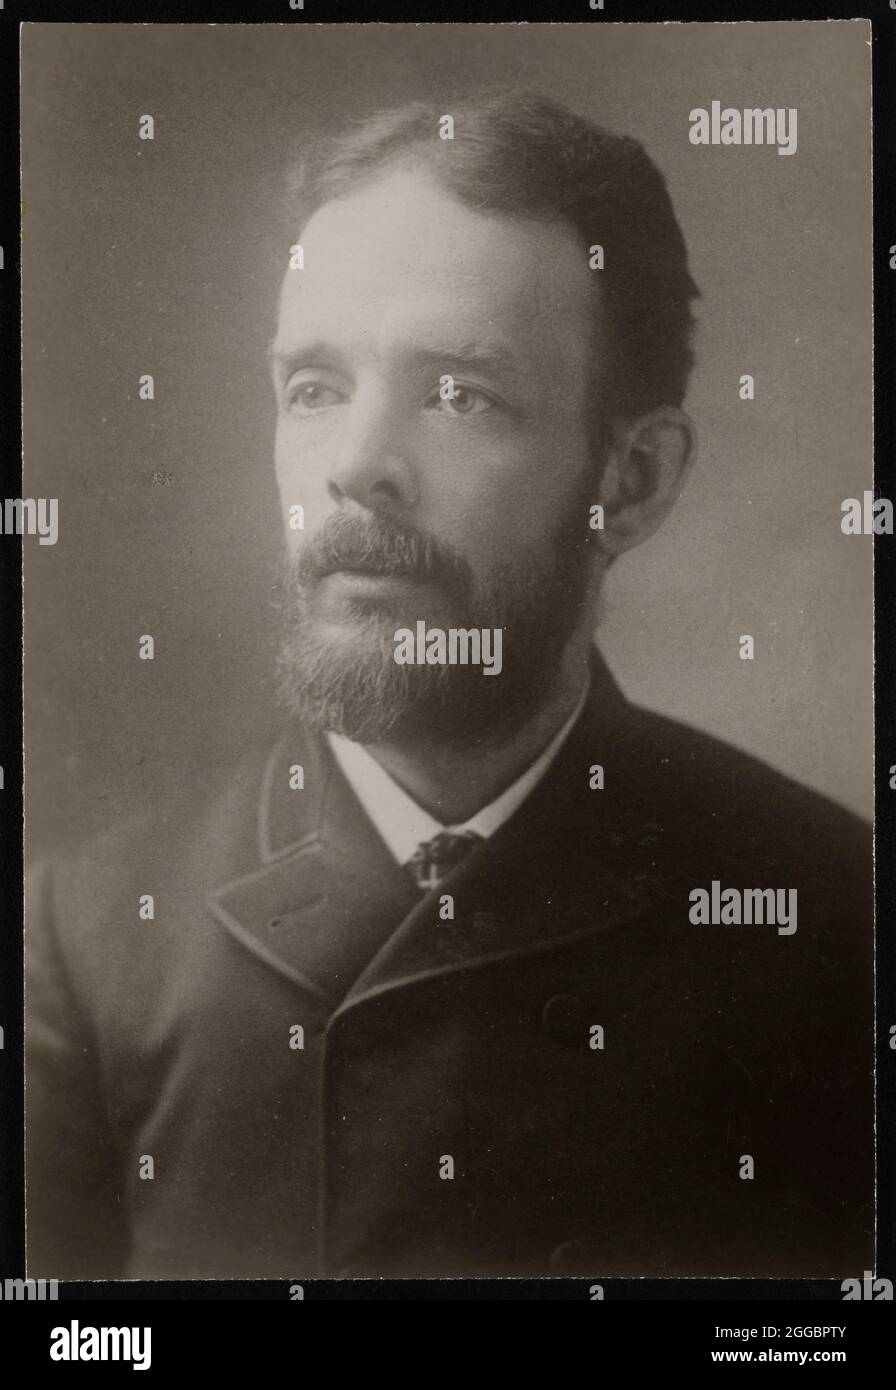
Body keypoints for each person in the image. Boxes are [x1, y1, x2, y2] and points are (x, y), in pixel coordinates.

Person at [26, 93, 873, 1280]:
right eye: (314, 387)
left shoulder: (833, 928)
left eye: (459, 394)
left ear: (627, 482)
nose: (356, 469)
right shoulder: (90, 937)